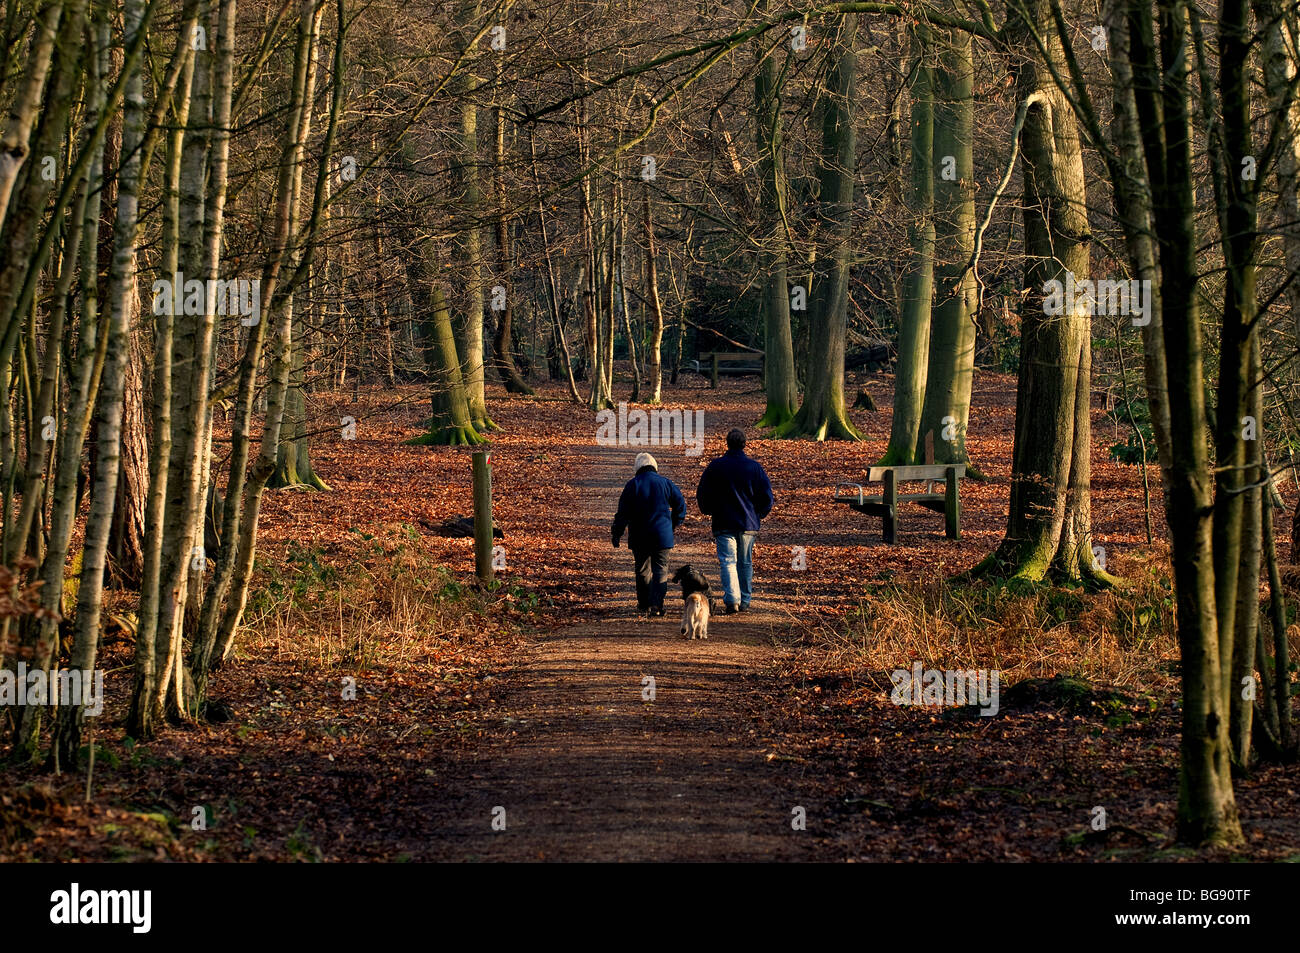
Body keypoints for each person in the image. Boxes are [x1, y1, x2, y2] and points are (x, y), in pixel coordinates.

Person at [696, 428, 773, 613]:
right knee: (745, 562)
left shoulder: (716, 466)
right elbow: (767, 496)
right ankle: (745, 600)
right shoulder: (754, 467)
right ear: (744, 444)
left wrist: (708, 510)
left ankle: (732, 600)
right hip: (748, 522)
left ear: (727, 444)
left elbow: (702, 493)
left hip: (723, 521)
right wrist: (759, 514)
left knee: (728, 561)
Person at [612, 452, 686, 617]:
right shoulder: (666, 483)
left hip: (639, 536)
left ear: (637, 468)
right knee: (661, 569)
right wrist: (673, 523)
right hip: (662, 535)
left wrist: (616, 533)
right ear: (655, 466)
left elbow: (622, 513)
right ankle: (657, 605)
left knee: (642, 570)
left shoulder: (632, 485)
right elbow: (680, 504)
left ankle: (644, 603)